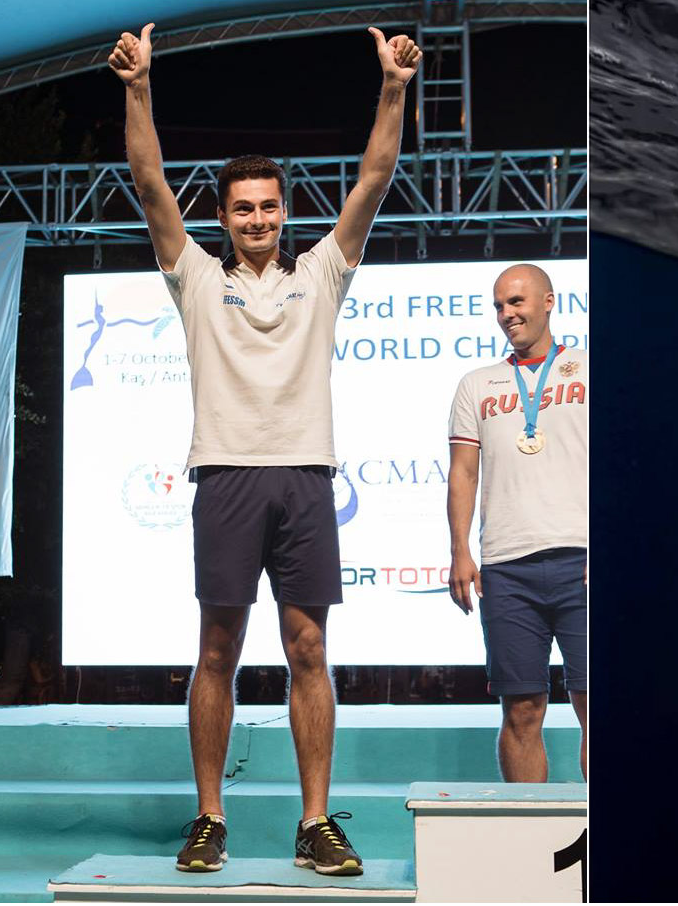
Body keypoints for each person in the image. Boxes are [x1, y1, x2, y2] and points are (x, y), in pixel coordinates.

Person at [108, 21, 421, 875]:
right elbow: (146, 182)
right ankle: (209, 817)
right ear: (223, 217)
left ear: (286, 213)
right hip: (227, 478)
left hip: (304, 479)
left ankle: (315, 822)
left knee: (308, 647)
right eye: (241, 207)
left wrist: (392, 86)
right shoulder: (197, 280)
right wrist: (138, 87)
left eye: (269, 205)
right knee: (217, 649)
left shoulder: (322, 273)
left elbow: (375, 177)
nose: (256, 218)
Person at [446, 264, 588, 782]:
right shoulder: (477, 384)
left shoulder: (589, 368)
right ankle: (531, 852)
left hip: (582, 563)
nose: (508, 314)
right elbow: (463, 473)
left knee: (592, 706)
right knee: (522, 710)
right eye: (500, 305)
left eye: (518, 302)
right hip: (506, 568)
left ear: (549, 302)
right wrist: (460, 550)